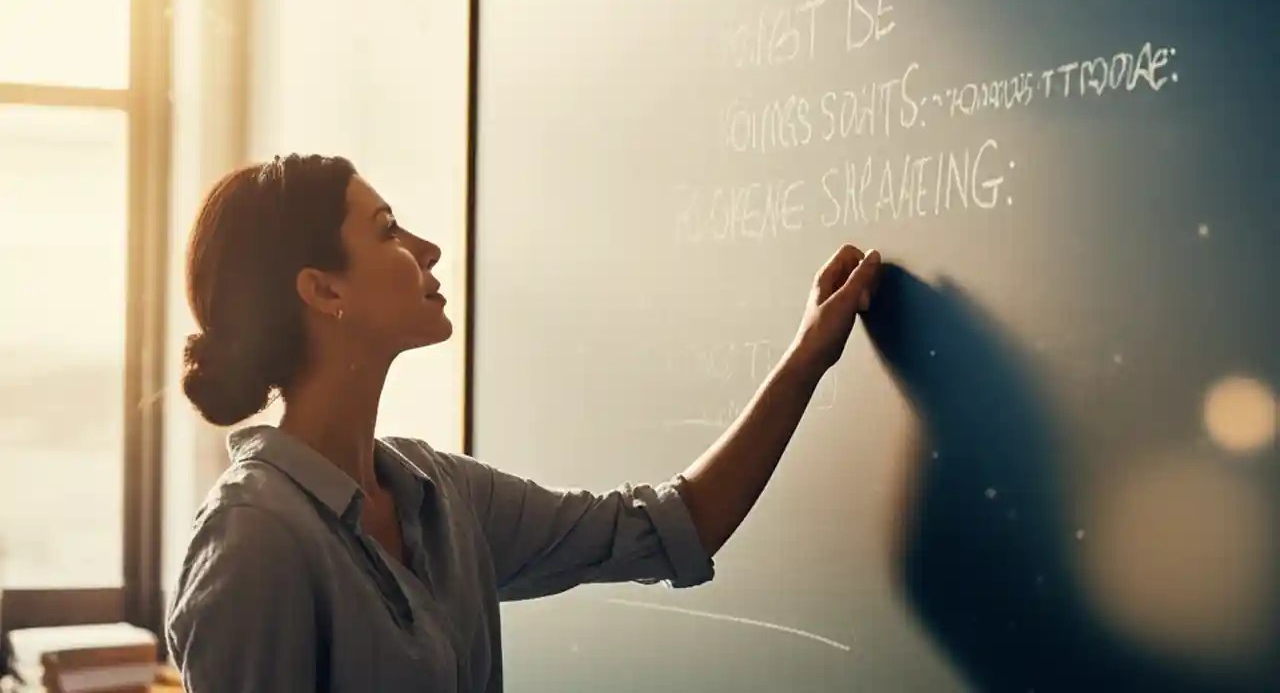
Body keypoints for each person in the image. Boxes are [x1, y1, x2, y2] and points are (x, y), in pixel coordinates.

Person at [165, 153, 883, 692]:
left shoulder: (443, 495)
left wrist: (805, 359)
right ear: (323, 290)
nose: (427, 250)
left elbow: (674, 528)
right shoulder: (253, 539)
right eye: (387, 231)